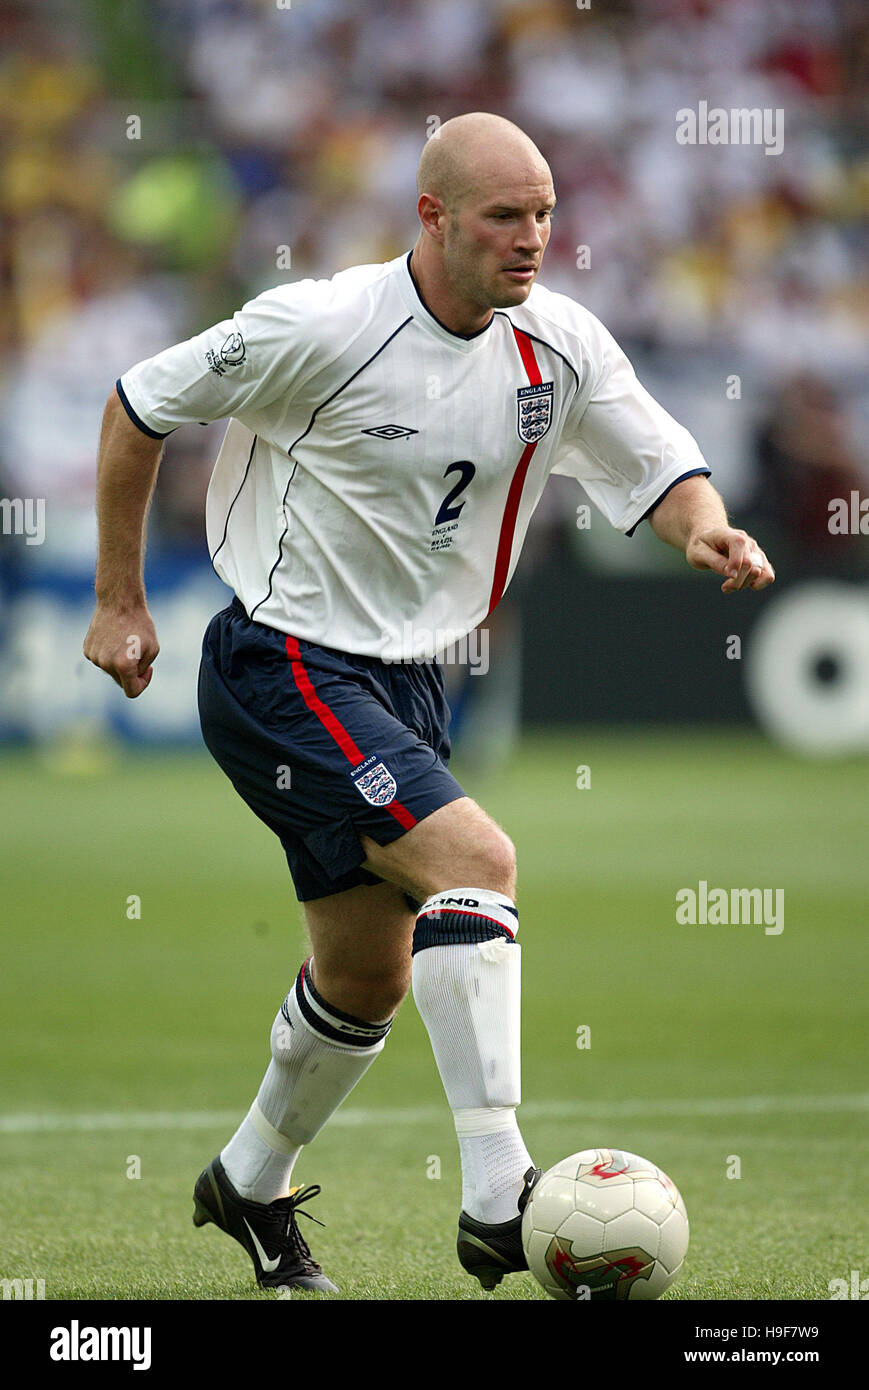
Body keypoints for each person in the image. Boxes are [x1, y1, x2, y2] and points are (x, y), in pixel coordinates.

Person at [83, 112, 775, 1297]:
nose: (532, 237)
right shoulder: (320, 325)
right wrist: (118, 601)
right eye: (505, 215)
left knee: (365, 980)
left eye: (546, 212)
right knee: (477, 861)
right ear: (433, 216)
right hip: (283, 660)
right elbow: (141, 403)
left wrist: (702, 525)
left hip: (407, 682)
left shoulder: (555, 346)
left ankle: (245, 1183)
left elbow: (654, 460)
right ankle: (498, 1194)